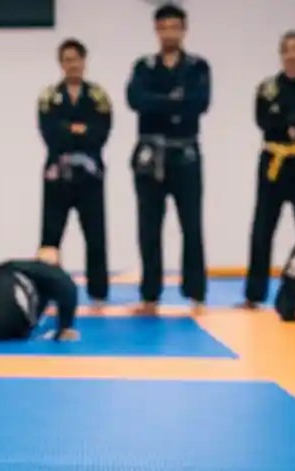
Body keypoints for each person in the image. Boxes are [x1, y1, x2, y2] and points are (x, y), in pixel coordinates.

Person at [126, 3, 211, 314]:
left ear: (184, 30)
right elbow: (136, 100)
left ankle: (196, 294)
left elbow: (199, 103)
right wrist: (174, 101)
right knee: (149, 226)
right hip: (150, 154)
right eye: (163, 28)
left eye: (174, 27)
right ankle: (150, 295)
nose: (169, 33)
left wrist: (159, 103)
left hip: (185, 153)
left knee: (191, 224)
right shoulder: (144, 67)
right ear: (156, 30)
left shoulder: (198, 67)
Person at [241, 30, 295, 309]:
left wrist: (292, 121)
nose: (293, 54)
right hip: (274, 163)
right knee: (262, 228)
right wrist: (291, 122)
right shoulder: (267, 87)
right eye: (288, 49)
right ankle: (254, 294)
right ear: (281, 54)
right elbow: (263, 120)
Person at [38, 38, 112, 307]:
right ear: (61, 64)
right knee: (51, 236)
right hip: (57, 175)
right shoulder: (49, 97)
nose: (72, 65)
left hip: (90, 175)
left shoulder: (98, 97)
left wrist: (73, 131)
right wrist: (77, 130)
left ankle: (98, 293)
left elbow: (100, 133)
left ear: (84, 62)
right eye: (67, 60)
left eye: (76, 60)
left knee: (95, 234)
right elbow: (50, 133)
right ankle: (48, 292)